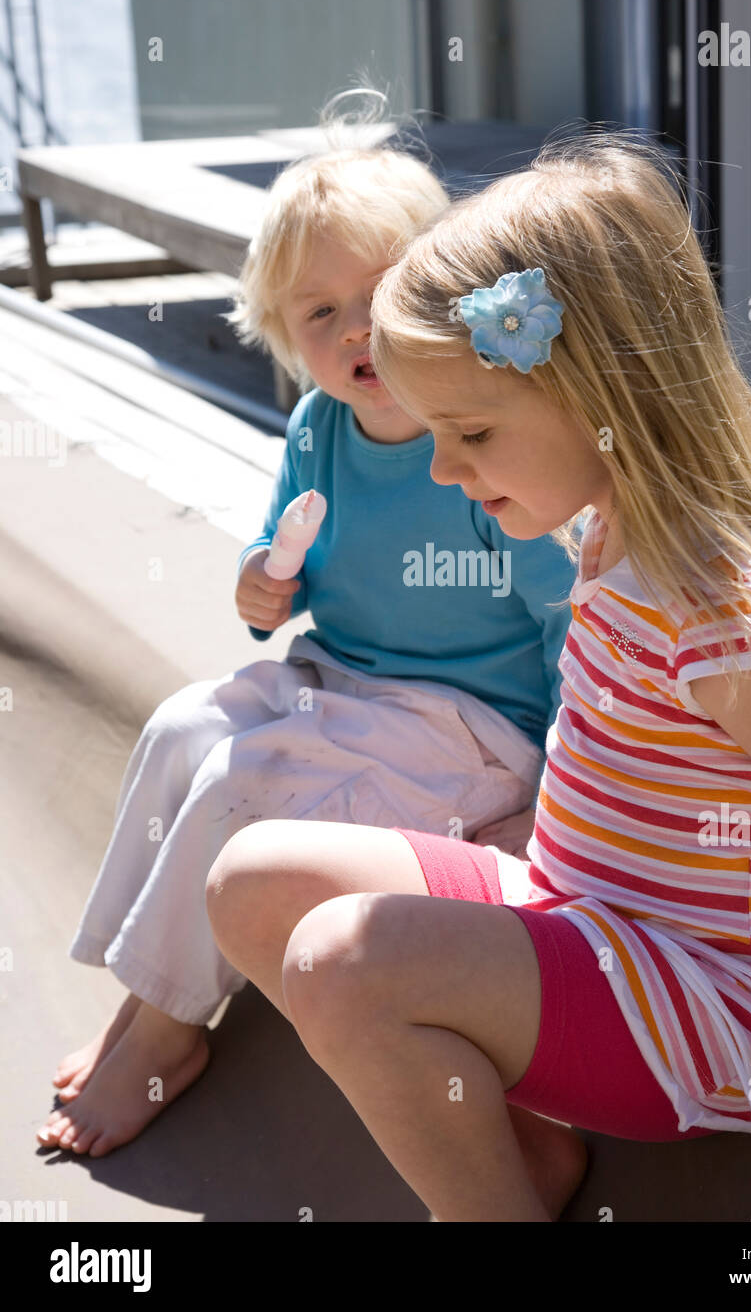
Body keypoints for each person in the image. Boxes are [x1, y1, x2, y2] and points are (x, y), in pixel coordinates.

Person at [204, 130, 751, 1224]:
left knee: (342, 958)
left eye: (471, 429)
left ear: (603, 395)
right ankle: (528, 1162)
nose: (440, 467)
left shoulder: (732, 616)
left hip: (707, 1020)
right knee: (248, 878)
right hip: (584, 919)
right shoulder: (606, 517)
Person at [36, 117, 578, 1161]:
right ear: (286, 337)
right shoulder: (315, 432)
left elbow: (568, 628)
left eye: (381, 299)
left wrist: (553, 801)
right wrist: (261, 585)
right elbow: (280, 578)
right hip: (337, 678)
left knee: (244, 783)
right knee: (181, 728)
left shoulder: (475, 439)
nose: (356, 333)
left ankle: (166, 1031)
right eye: (320, 313)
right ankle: (141, 982)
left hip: (469, 730)